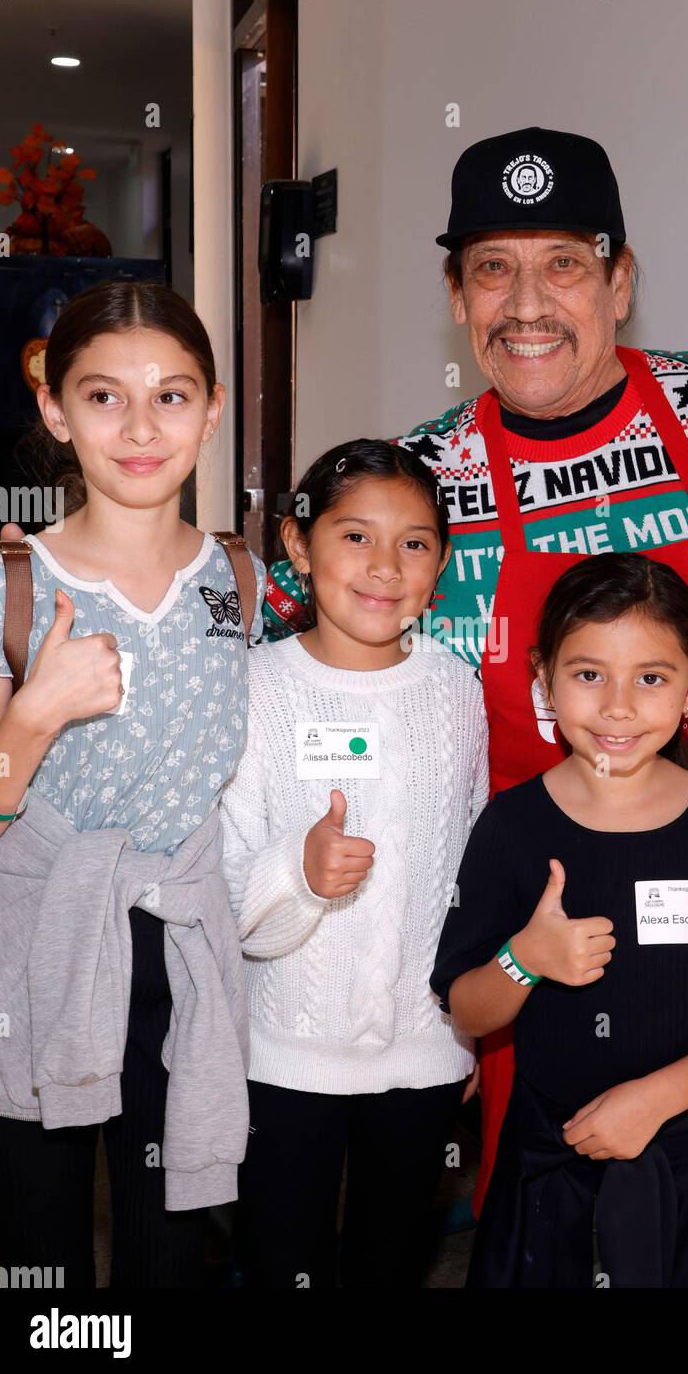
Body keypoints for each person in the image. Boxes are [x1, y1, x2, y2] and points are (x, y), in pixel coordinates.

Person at [261, 127, 688, 1286]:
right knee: (551, 1231)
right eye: (491, 267)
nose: (527, 302)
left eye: (564, 262)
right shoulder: (425, 487)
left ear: (621, 278)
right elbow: (280, 635)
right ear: (456, 294)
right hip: (535, 909)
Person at [0, 280, 266, 1287]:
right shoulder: (5, 587)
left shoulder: (242, 575)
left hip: (183, 962)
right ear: (55, 409)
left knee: (168, 1253)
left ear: (214, 406)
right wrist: (33, 712)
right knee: (40, 1265)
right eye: (104, 397)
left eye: (173, 396)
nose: (141, 427)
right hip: (38, 960)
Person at [432, 552, 688, 1288]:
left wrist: (652, 1102)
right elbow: (465, 1004)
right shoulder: (511, 825)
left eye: (652, 678)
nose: (618, 707)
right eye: (588, 674)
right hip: (548, 1161)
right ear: (543, 676)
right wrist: (526, 959)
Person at [219, 440, 488, 1288]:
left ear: (441, 561)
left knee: (395, 1260)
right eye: (355, 537)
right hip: (283, 1057)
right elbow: (226, 894)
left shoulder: (457, 690)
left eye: (413, 543)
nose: (385, 567)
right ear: (300, 545)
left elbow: (468, 870)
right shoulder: (257, 688)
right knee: (281, 1259)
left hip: (425, 1054)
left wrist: (468, 1033)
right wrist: (300, 871)